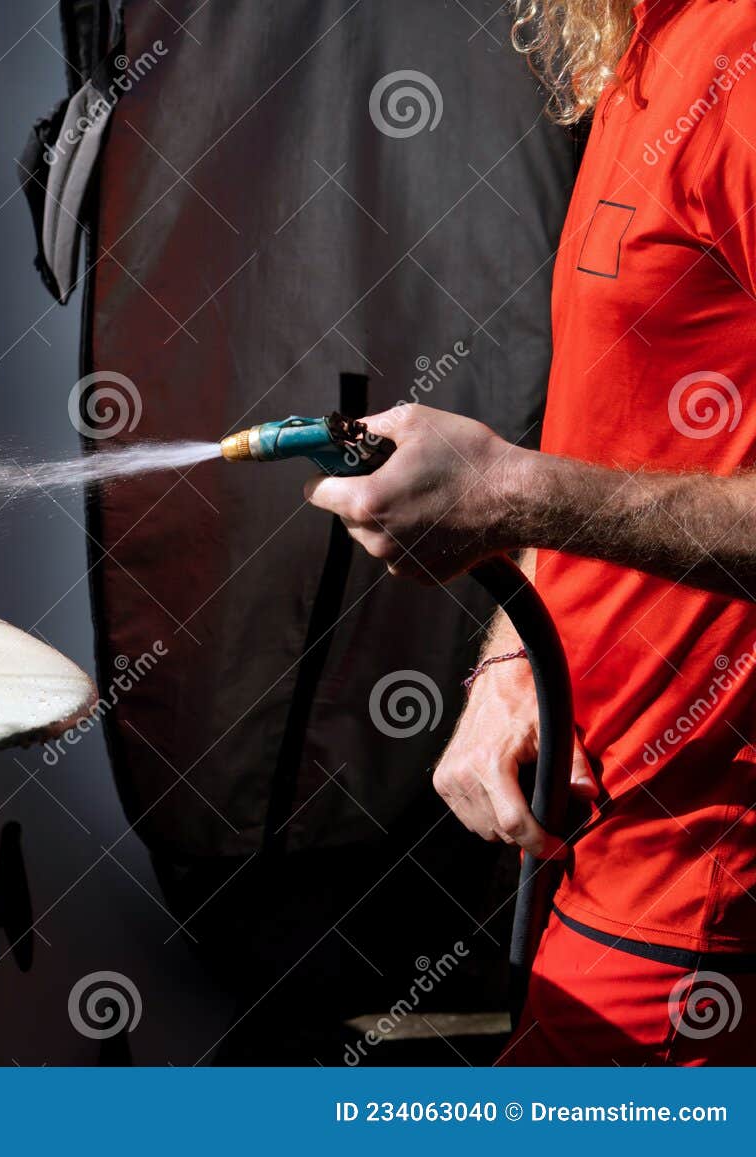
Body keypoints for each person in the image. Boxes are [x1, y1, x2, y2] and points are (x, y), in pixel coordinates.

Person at [307, 0, 756, 1064]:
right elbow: (625, 420)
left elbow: (550, 480)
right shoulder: (652, 38)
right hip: (603, 826)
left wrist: (508, 494)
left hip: (701, 882)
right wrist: (520, 651)